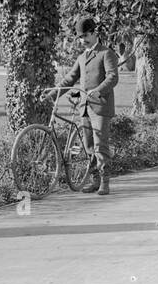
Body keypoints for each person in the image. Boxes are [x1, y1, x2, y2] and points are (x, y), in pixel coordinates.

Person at [43, 16, 118, 195]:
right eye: (79, 37)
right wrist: (53, 94)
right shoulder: (82, 57)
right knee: (88, 145)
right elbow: (70, 78)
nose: (82, 40)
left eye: (85, 35)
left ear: (94, 33)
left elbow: (112, 77)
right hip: (84, 107)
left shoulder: (106, 53)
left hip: (100, 106)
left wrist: (99, 90)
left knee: (101, 145)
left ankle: (105, 182)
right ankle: (94, 179)